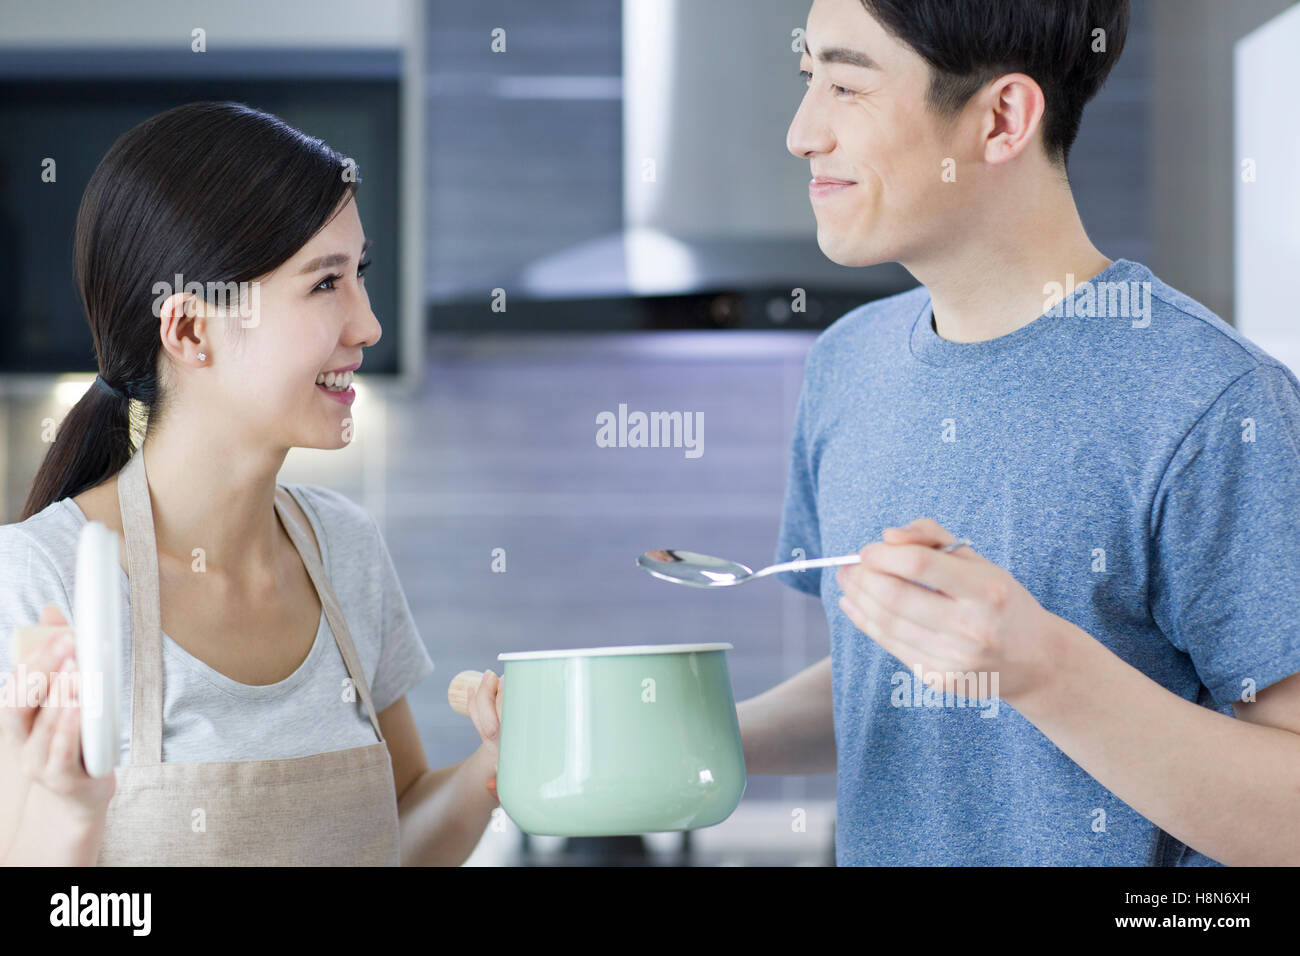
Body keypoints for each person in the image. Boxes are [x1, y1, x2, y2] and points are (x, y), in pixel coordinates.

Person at [737, 0, 1300, 865]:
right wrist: (688, 734)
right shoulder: (846, 365)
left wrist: (1045, 670)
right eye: (810, 77)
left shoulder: (1218, 404)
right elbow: (886, 680)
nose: (801, 132)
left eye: (847, 85)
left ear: (1001, 118)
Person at [0, 102, 504, 866]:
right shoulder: (37, 585)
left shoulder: (345, 550)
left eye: (357, 273)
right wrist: (66, 820)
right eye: (325, 283)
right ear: (191, 331)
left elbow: (398, 839)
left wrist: (494, 770)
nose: (367, 325)